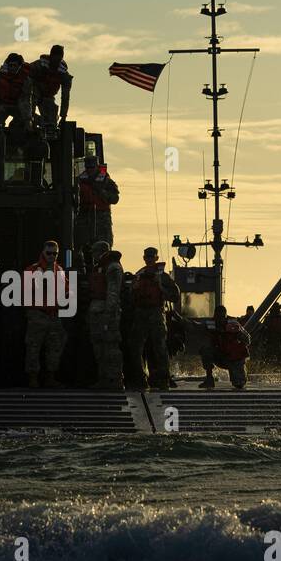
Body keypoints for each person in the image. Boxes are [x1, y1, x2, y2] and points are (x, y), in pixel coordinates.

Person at [127, 247, 181, 391]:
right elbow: (131, 297)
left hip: (156, 313)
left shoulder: (163, 276)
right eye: (147, 257)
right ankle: (140, 379)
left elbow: (175, 296)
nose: (149, 259)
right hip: (140, 313)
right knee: (135, 347)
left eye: (151, 257)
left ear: (156, 258)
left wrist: (160, 286)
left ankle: (163, 380)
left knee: (160, 348)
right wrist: (133, 288)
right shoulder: (140, 274)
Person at [23, 240, 67, 388]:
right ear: (43, 252)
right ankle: (33, 379)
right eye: (49, 253)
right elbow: (24, 291)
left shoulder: (59, 270)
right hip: (38, 314)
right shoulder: (33, 270)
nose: (52, 256)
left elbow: (67, 290)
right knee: (33, 347)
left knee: (54, 347)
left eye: (55, 253)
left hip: (54, 315)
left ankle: (50, 377)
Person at [86, 240, 123, 389]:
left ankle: (115, 380)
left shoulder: (113, 267)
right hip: (96, 313)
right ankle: (103, 379)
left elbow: (112, 293)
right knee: (99, 348)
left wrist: (109, 315)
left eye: (95, 253)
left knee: (111, 348)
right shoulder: (99, 267)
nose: (93, 256)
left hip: (107, 314)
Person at [200, 305, 249, 390]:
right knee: (205, 350)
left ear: (225, 316)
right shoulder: (210, 324)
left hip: (234, 358)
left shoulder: (234, 324)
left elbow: (247, 340)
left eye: (222, 317)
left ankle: (238, 376)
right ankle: (209, 379)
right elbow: (195, 326)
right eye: (218, 317)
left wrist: (237, 333)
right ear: (215, 316)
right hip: (220, 356)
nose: (220, 319)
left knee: (239, 384)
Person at [75, 156, 119, 250]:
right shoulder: (79, 181)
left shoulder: (106, 181)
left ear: (97, 167)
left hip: (102, 219)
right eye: (88, 167)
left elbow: (115, 199)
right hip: (84, 217)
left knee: (104, 245)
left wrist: (101, 192)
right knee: (82, 246)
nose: (90, 170)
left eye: (92, 167)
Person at [29, 44, 72, 134]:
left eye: (59, 58)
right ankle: (30, 122)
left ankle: (44, 126)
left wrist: (63, 116)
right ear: (51, 56)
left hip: (48, 96)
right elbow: (26, 79)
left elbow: (65, 97)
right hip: (33, 92)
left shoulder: (63, 74)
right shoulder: (38, 65)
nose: (56, 60)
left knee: (51, 122)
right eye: (55, 57)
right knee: (28, 107)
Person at [0, 53, 32, 131]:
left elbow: (26, 99)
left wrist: (27, 118)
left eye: (15, 66)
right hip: (1, 105)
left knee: (25, 122)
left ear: (19, 66)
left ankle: (16, 129)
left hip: (18, 106)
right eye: (11, 65)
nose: (12, 68)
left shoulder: (26, 79)